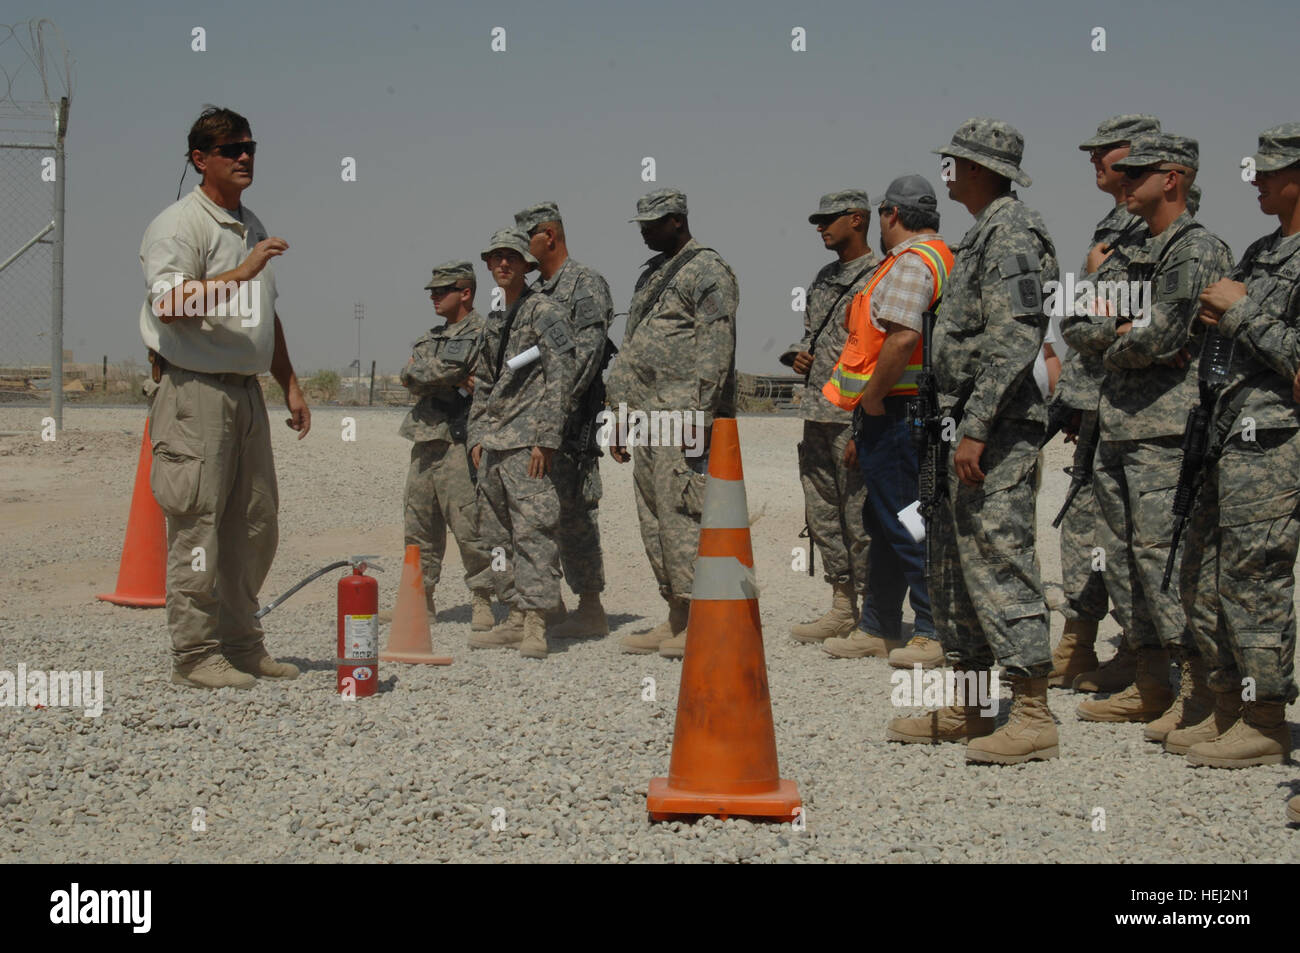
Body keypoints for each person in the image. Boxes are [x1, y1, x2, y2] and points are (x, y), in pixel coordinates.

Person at [886, 119, 1059, 762]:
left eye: (958, 163)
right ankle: (972, 704)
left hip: (996, 431)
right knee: (955, 569)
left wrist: (978, 426)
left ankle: (1034, 713)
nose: (950, 173)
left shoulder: (1013, 230)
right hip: (959, 425)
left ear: (985, 168)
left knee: (999, 561)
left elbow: (1016, 335)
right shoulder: (982, 231)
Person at [1066, 134, 1233, 739]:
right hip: (1116, 423)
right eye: (1124, 171)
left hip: (1167, 428)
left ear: (1173, 179)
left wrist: (1124, 334)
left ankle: (1197, 690)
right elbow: (1074, 318)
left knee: (1168, 558)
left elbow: (1163, 335)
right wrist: (1124, 334)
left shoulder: (1197, 250)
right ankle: (1150, 677)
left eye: (1139, 173)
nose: (1125, 181)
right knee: (1124, 555)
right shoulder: (1129, 244)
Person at [141, 106, 309, 690]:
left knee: (255, 522)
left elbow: (268, 314)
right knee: (199, 524)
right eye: (231, 148)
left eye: (249, 147)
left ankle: (241, 641)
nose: (244, 156)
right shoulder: (179, 225)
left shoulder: (250, 226)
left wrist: (289, 383)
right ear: (200, 160)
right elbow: (169, 304)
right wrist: (242, 271)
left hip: (245, 393)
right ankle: (194, 653)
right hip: (195, 394)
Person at [1177, 123, 1300, 771]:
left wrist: (1243, 312)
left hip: (1276, 441)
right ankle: (1228, 706)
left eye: (1272, 171)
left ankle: (1267, 718)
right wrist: (1214, 323)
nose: (1257, 179)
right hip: (1228, 432)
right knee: (1210, 575)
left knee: (1257, 579)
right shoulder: (1260, 251)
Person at [819, 176, 953, 670]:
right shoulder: (940, 257)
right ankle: (878, 625)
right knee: (884, 519)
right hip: (893, 413)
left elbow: (899, 340)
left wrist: (871, 402)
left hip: (898, 412)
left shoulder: (912, 263)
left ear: (890, 215)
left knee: (908, 519)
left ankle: (932, 628)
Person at [606, 188, 739, 659]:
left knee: (685, 519)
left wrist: (701, 420)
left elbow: (714, 348)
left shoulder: (707, 270)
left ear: (678, 221)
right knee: (655, 520)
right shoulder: (652, 274)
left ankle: (699, 618)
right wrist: (619, 419)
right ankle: (676, 615)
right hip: (645, 416)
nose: (643, 231)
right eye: (641, 223)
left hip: (681, 417)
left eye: (652, 223)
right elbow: (634, 350)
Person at [1054, 115, 1161, 693]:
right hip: (1095, 397)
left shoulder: (1155, 225)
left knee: (1128, 534)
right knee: (1082, 527)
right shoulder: (1114, 222)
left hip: (1135, 403)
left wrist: (1094, 293)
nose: (1096, 159)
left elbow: (1129, 317)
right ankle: (1078, 639)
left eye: (1107, 151)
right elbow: (1078, 314)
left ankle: (1141, 654)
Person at [466, 229, 576, 659]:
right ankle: (512, 613)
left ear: (526, 265)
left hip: (528, 443)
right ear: (489, 265)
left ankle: (535, 622)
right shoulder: (495, 319)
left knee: (534, 534)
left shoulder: (544, 312)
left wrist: (546, 439)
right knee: (495, 538)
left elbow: (560, 376)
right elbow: (485, 382)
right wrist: (476, 434)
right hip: (493, 445)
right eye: (496, 258)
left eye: (511, 257)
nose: (503, 265)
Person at [514, 201, 615, 639]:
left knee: (574, 514)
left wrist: (554, 413)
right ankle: (545, 602)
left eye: (527, 240)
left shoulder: (584, 285)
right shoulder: (536, 292)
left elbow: (586, 357)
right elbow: (527, 355)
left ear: (548, 236)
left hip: (570, 424)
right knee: (536, 515)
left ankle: (590, 605)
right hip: (533, 421)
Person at [779, 191, 876, 647]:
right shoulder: (822, 279)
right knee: (822, 512)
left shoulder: (879, 276)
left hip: (856, 416)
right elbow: (811, 337)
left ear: (857, 220)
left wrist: (867, 420)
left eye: (829, 220)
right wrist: (800, 356)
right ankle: (841, 606)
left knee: (861, 517)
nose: (821, 228)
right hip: (817, 414)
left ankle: (873, 610)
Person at [399, 259, 498, 634]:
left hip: (460, 440)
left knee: (469, 523)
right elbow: (410, 375)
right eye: (433, 291)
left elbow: (482, 377)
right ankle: (419, 600)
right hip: (424, 440)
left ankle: (482, 598)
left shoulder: (485, 333)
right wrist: (454, 376)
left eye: (443, 291)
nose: (435, 297)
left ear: (466, 292)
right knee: (418, 526)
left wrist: (433, 375)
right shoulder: (430, 337)